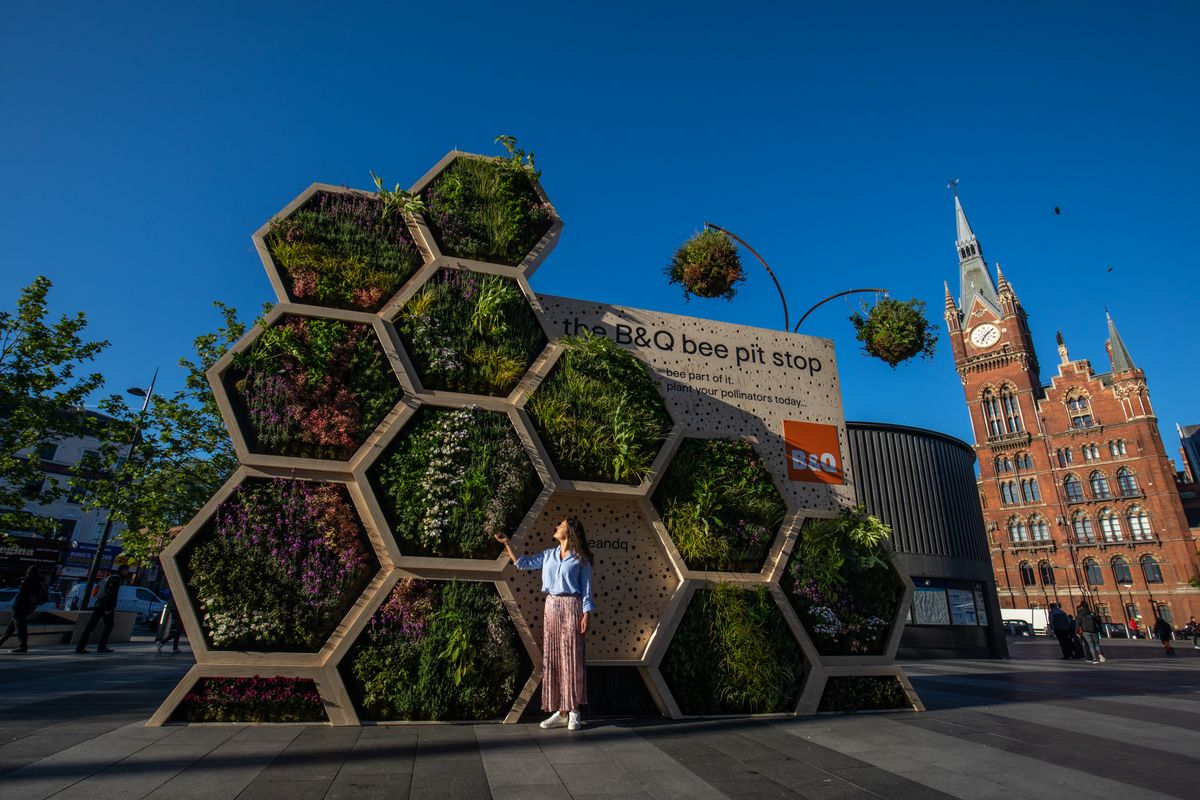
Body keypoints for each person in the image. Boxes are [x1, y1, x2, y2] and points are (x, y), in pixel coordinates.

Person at [496, 518, 594, 732]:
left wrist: (586, 614)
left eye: (561, 525)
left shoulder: (581, 558)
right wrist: (507, 544)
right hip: (551, 607)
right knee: (555, 657)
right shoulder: (549, 554)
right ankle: (561, 711)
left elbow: (586, 588)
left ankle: (574, 710)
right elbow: (523, 563)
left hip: (572, 606)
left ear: (570, 531)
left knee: (571, 657)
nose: (556, 527)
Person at [75, 565, 128, 654]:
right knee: (109, 626)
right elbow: (110, 592)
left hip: (99, 604)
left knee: (90, 626)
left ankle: (80, 647)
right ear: (123, 570)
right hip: (105, 606)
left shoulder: (110, 577)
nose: (127, 572)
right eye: (126, 570)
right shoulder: (116, 579)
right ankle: (101, 646)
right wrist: (108, 608)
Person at [0, 566, 49, 653]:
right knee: (12, 628)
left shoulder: (29, 581)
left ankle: (22, 646)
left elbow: (29, 596)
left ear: (30, 573)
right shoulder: (41, 583)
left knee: (20, 627)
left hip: (20, 607)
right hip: (29, 608)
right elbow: (42, 598)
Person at [155, 589, 182, 653]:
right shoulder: (177, 594)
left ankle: (174, 647)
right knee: (179, 630)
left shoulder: (175, 593)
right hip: (176, 611)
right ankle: (162, 642)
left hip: (175, 611)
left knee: (178, 630)